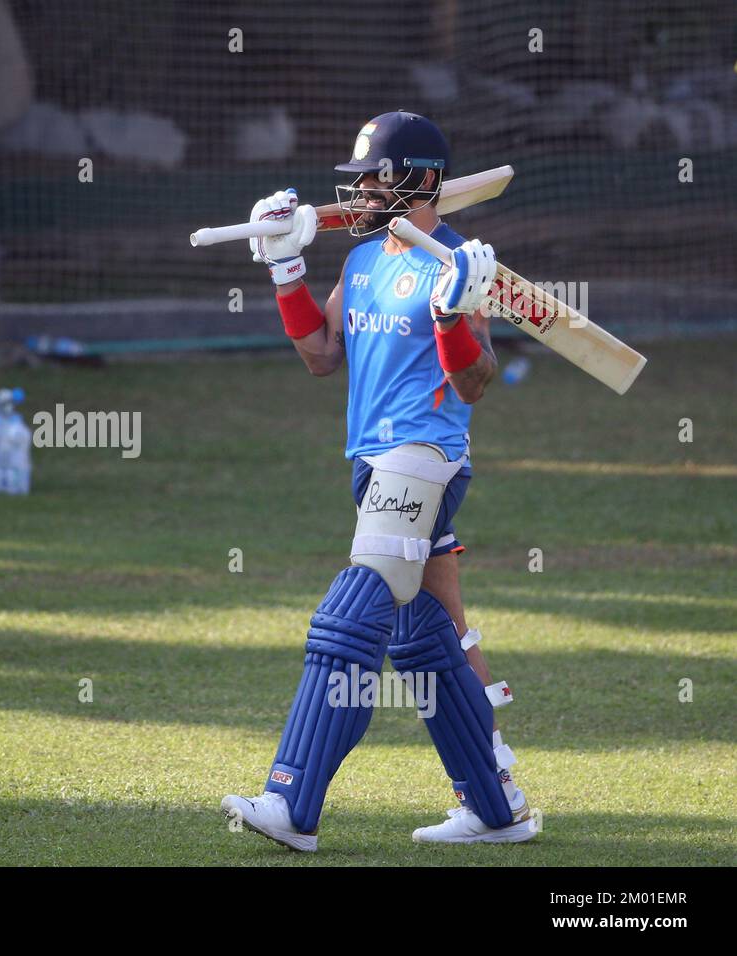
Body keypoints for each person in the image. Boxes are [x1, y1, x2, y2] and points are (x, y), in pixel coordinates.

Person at [222, 112, 535, 850]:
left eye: (377, 177)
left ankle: (290, 802)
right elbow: (321, 354)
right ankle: (496, 808)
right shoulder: (362, 262)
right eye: (360, 176)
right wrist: (285, 271)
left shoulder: (459, 262)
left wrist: (455, 312)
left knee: (349, 616)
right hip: (369, 464)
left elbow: (477, 379)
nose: (361, 189)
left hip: (424, 456)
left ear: (422, 182)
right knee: (422, 635)